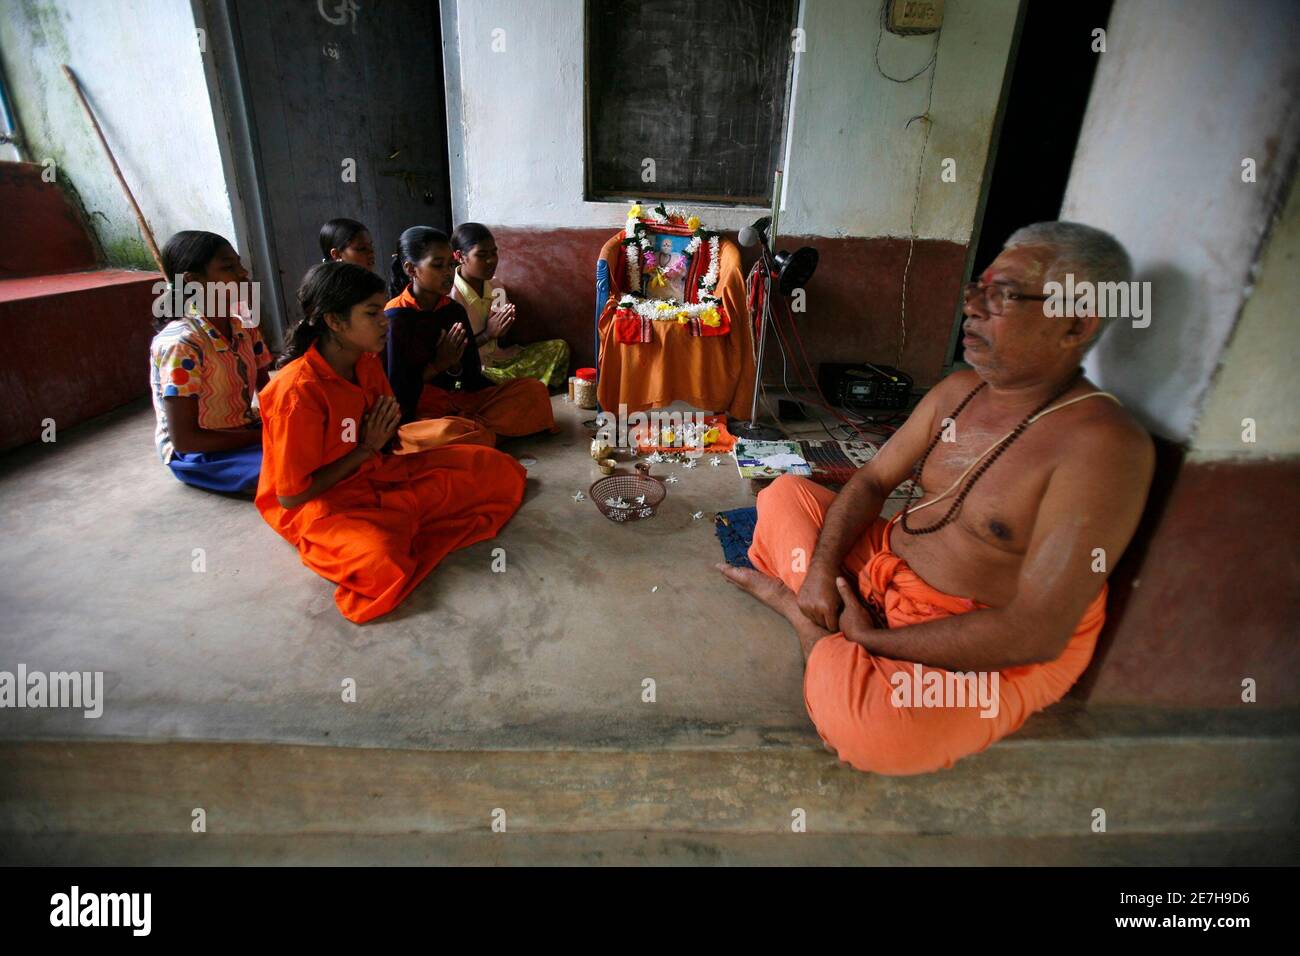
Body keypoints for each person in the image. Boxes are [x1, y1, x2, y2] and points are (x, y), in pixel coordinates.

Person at [718, 221, 1156, 775]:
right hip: (884, 566)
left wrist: (872, 637)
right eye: (977, 290)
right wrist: (822, 571)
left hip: (977, 636)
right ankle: (829, 620)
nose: (971, 308)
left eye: (1003, 296)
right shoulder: (956, 389)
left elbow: (1034, 633)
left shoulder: (1103, 447)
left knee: (883, 730)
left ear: (1075, 323)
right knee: (783, 495)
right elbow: (874, 481)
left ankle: (811, 628)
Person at [256, 261, 527, 624]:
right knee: (381, 561)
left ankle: (404, 519)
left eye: (381, 309)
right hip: (322, 505)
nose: (384, 320)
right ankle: (395, 527)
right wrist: (366, 448)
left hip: (379, 472)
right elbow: (291, 496)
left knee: (497, 468)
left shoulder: (365, 362)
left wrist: (377, 445)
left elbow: (389, 431)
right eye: (371, 313)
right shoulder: (297, 391)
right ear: (335, 321)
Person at [386, 226, 557, 453]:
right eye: (438, 265)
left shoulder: (452, 310)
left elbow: (471, 376)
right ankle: (480, 435)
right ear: (411, 269)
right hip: (423, 411)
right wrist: (438, 364)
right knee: (442, 433)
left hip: (461, 401)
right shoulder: (395, 317)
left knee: (533, 391)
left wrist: (456, 367)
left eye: (449, 265)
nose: (448, 272)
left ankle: (476, 435)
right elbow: (395, 392)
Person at [149, 230, 271, 494]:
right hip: (201, 453)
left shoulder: (244, 325)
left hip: (245, 429)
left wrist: (283, 423)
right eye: (228, 267)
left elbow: (268, 392)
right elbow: (186, 439)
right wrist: (263, 436)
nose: (243, 273)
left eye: (240, 264)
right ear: (193, 282)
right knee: (288, 473)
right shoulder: (181, 343)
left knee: (321, 448)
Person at [450, 222, 570, 388]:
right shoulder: (451, 296)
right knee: (476, 378)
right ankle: (526, 387)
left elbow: (502, 339)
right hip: (476, 367)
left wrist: (503, 329)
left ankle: (521, 388)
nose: (491, 260)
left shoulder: (495, 286)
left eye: (494, 253)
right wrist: (487, 334)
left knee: (559, 347)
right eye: (482, 255)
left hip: (502, 360)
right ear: (459, 256)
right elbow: (453, 353)